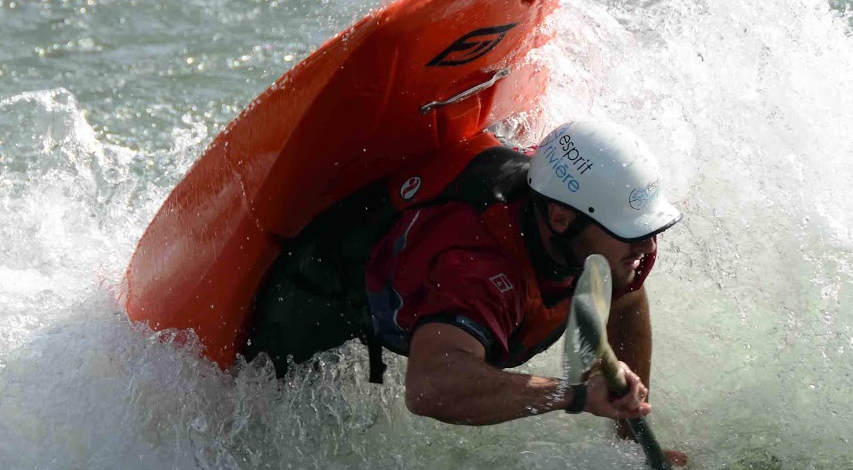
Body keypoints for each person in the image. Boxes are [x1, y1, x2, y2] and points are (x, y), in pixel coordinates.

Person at [244, 119, 681, 446]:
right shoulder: (478, 270)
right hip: (319, 291)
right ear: (561, 218)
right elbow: (432, 386)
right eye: (629, 231)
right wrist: (575, 396)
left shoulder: (605, 242)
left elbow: (625, 296)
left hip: (430, 254)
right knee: (257, 423)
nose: (646, 244)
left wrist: (627, 430)